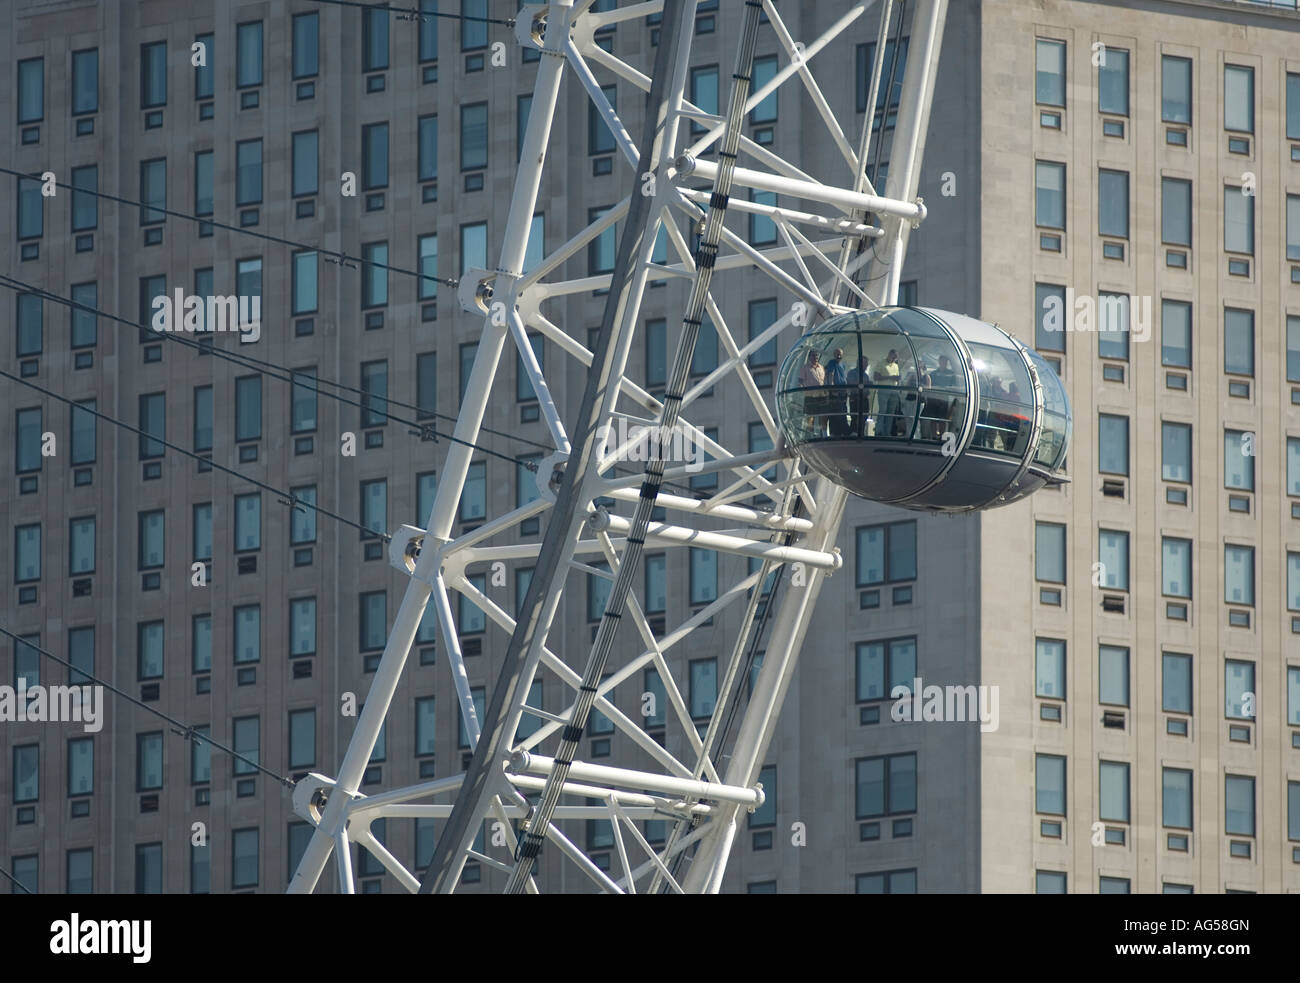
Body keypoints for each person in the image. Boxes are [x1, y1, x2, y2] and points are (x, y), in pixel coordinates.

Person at [874, 349, 903, 435]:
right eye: (893, 357)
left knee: (890, 414)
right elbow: (876, 377)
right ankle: (879, 432)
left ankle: (887, 433)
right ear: (889, 354)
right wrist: (890, 377)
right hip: (883, 390)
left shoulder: (896, 366)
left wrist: (898, 379)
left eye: (896, 358)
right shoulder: (881, 363)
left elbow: (896, 377)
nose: (894, 359)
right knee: (882, 411)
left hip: (894, 391)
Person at [797, 349, 826, 435]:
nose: (815, 357)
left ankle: (823, 434)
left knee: (823, 416)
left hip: (821, 395)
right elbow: (800, 380)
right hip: (811, 396)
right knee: (810, 417)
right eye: (813, 355)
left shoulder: (821, 367)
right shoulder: (805, 368)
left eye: (817, 355)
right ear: (809, 357)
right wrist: (803, 389)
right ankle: (810, 435)